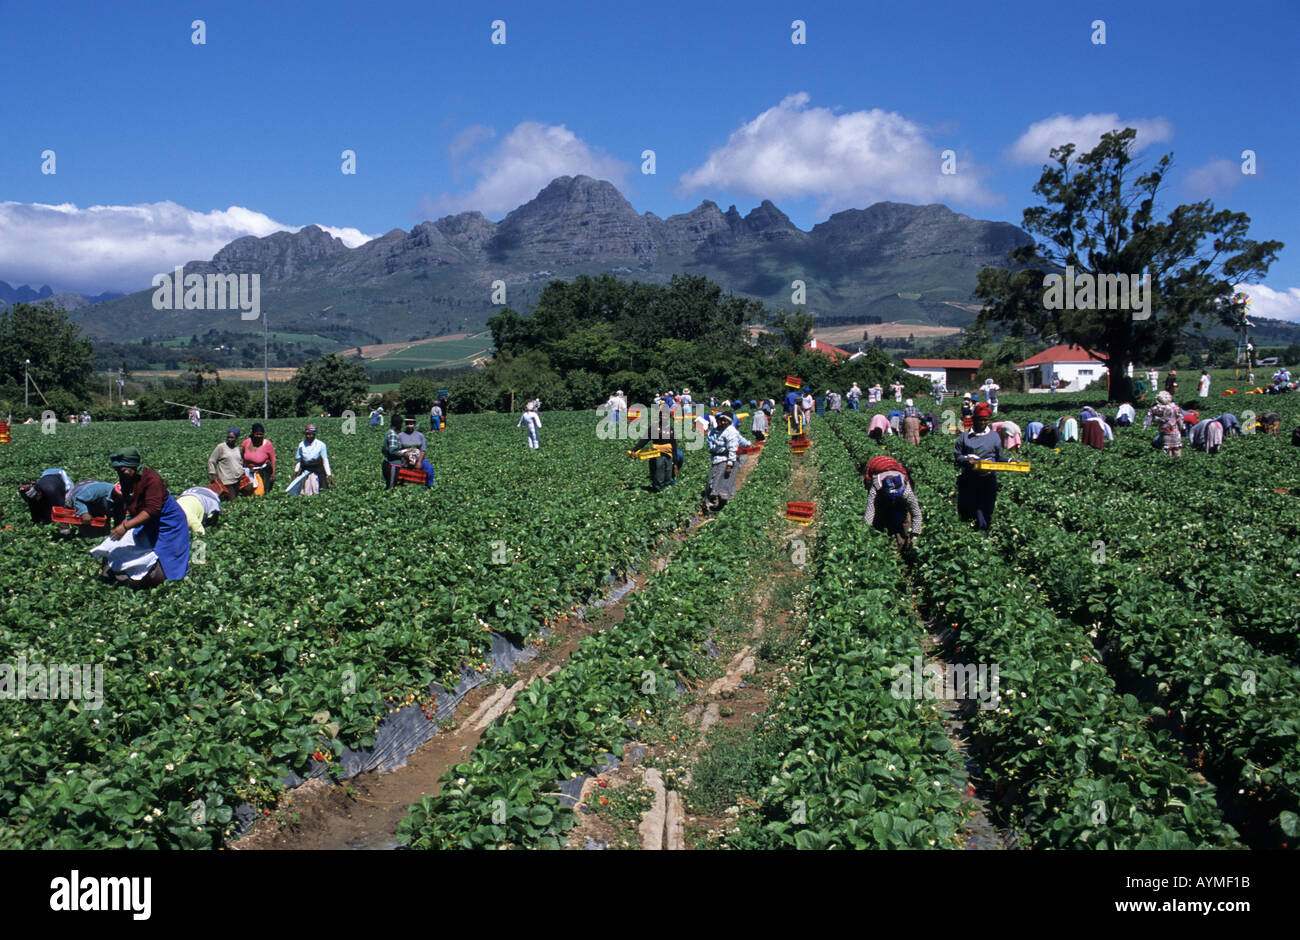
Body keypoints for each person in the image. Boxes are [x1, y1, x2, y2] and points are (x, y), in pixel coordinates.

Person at [95, 447, 190, 588]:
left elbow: (152, 509)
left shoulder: (152, 479)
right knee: (121, 545)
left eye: (122, 470)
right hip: (144, 521)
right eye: (117, 470)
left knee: (168, 560)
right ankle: (125, 572)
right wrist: (123, 525)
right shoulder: (126, 479)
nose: (120, 473)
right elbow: (129, 503)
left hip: (168, 523)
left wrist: (126, 526)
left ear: (133, 466)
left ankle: (171, 575)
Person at [953, 403, 1004, 532]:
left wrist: (1010, 460)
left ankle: (984, 529)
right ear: (974, 420)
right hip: (970, 477)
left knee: (986, 505)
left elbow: (999, 456)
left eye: (985, 420)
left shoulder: (994, 436)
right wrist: (966, 460)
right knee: (970, 504)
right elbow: (957, 455)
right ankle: (972, 530)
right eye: (980, 420)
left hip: (988, 477)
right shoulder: (965, 436)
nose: (982, 422)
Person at [864, 456, 922, 549]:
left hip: (898, 490)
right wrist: (867, 532)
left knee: (902, 518)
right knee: (880, 517)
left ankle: (902, 547)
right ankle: (883, 544)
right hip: (876, 469)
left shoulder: (906, 490)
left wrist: (915, 534)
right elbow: (870, 510)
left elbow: (916, 513)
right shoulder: (876, 487)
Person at [703, 411, 741, 511]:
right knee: (712, 482)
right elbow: (711, 443)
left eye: (725, 420)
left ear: (729, 422)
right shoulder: (716, 431)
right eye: (721, 420)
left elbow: (733, 449)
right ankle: (714, 504)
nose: (723, 422)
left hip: (725, 460)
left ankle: (721, 506)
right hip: (716, 459)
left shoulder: (731, 432)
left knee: (721, 483)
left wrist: (730, 465)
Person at [289, 424, 334, 494]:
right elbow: (299, 461)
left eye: (311, 434)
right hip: (305, 470)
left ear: (314, 434)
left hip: (316, 471)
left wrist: (329, 475)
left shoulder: (321, 445)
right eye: (307, 434)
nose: (308, 436)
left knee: (316, 490)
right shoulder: (301, 445)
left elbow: (325, 460)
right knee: (304, 491)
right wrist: (295, 474)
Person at [396, 415, 436, 486]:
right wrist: (406, 456)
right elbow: (398, 450)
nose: (409, 426)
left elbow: (423, 450)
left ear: (414, 424)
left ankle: (430, 486)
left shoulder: (420, 435)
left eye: (411, 424)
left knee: (429, 468)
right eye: (408, 423)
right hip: (404, 458)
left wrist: (419, 462)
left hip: (418, 457)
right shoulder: (400, 436)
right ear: (405, 424)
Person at [208, 428, 246, 499]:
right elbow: (211, 460)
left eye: (232, 437)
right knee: (232, 499)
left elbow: (240, 462)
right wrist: (213, 474)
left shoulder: (237, 448)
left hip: (237, 479)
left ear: (236, 438)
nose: (229, 439)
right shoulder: (221, 447)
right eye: (228, 437)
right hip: (226, 480)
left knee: (236, 499)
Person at [1144, 391, 1183, 457]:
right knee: (1177, 450)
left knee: (1167, 450)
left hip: (1165, 433)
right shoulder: (1175, 407)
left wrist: (1146, 429)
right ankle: (1178, 464)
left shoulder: (1155, 408)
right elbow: (1180, 420)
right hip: (1175, 433)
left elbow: (1148, 421)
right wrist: (1181, 428)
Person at [241, 423, 276, 495]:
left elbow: (273, 459)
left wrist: (273, 473)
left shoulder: (267, 444)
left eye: (261, 434)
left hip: (262, 472)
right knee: (247, 491)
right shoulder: (246, 442)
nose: (259, 436)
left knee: (259, 493)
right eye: (257, 434)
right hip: (248, 470)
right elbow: (242, 457)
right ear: (253, 434)